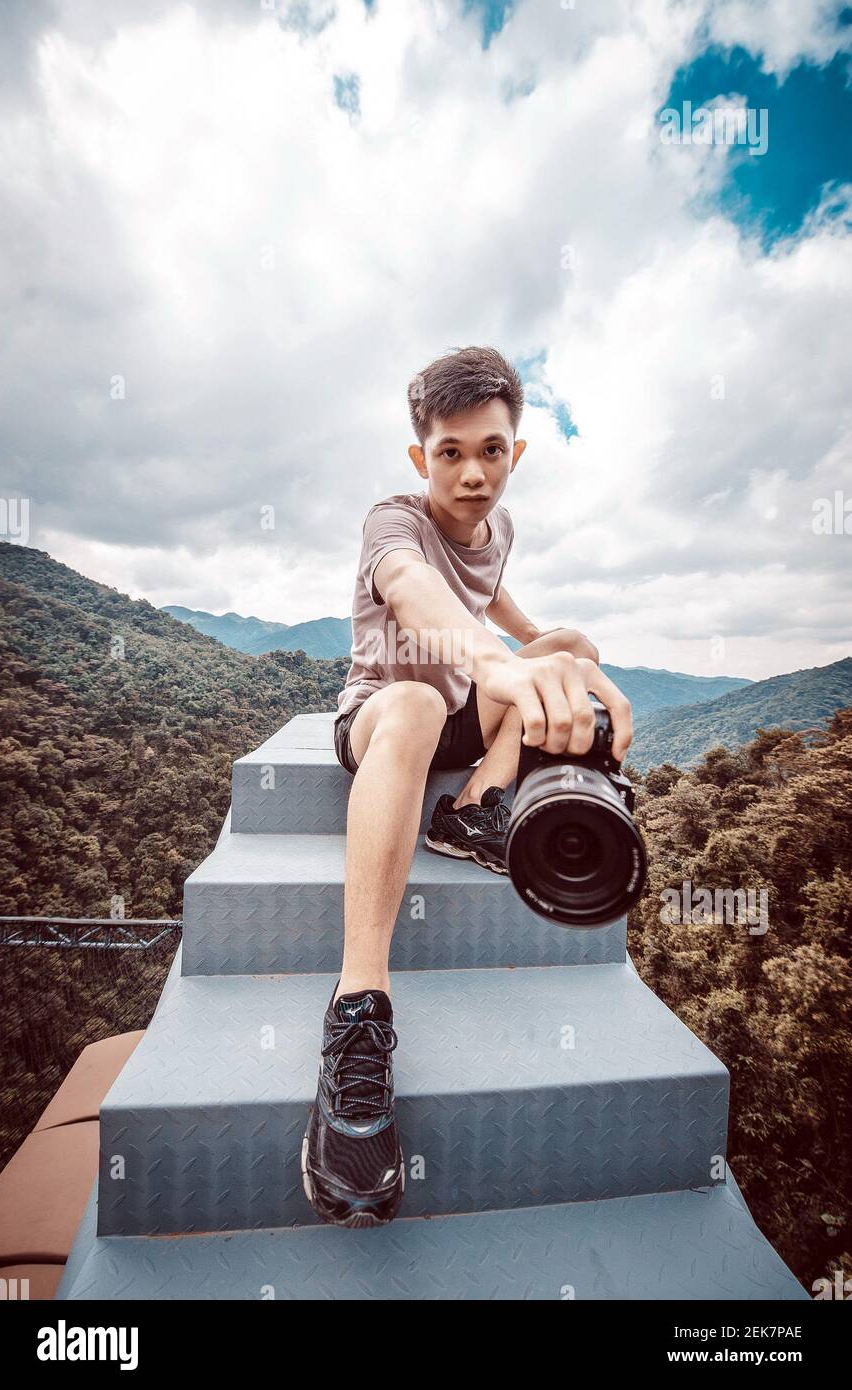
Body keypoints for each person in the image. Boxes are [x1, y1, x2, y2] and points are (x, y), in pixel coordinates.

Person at [300, 345, 632, 1227]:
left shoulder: (500, 528)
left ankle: (473, 805)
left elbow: (495, 602)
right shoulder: (392, 523)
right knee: (411, 700)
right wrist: (496, 662)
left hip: (463, 710)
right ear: (422, 458)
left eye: (491, 450)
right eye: (451, 452)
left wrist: (548, 648)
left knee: (575, 644)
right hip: (386, 710)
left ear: (515, 451)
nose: (473, 472)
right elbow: (419, 596)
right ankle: (358, 1006)